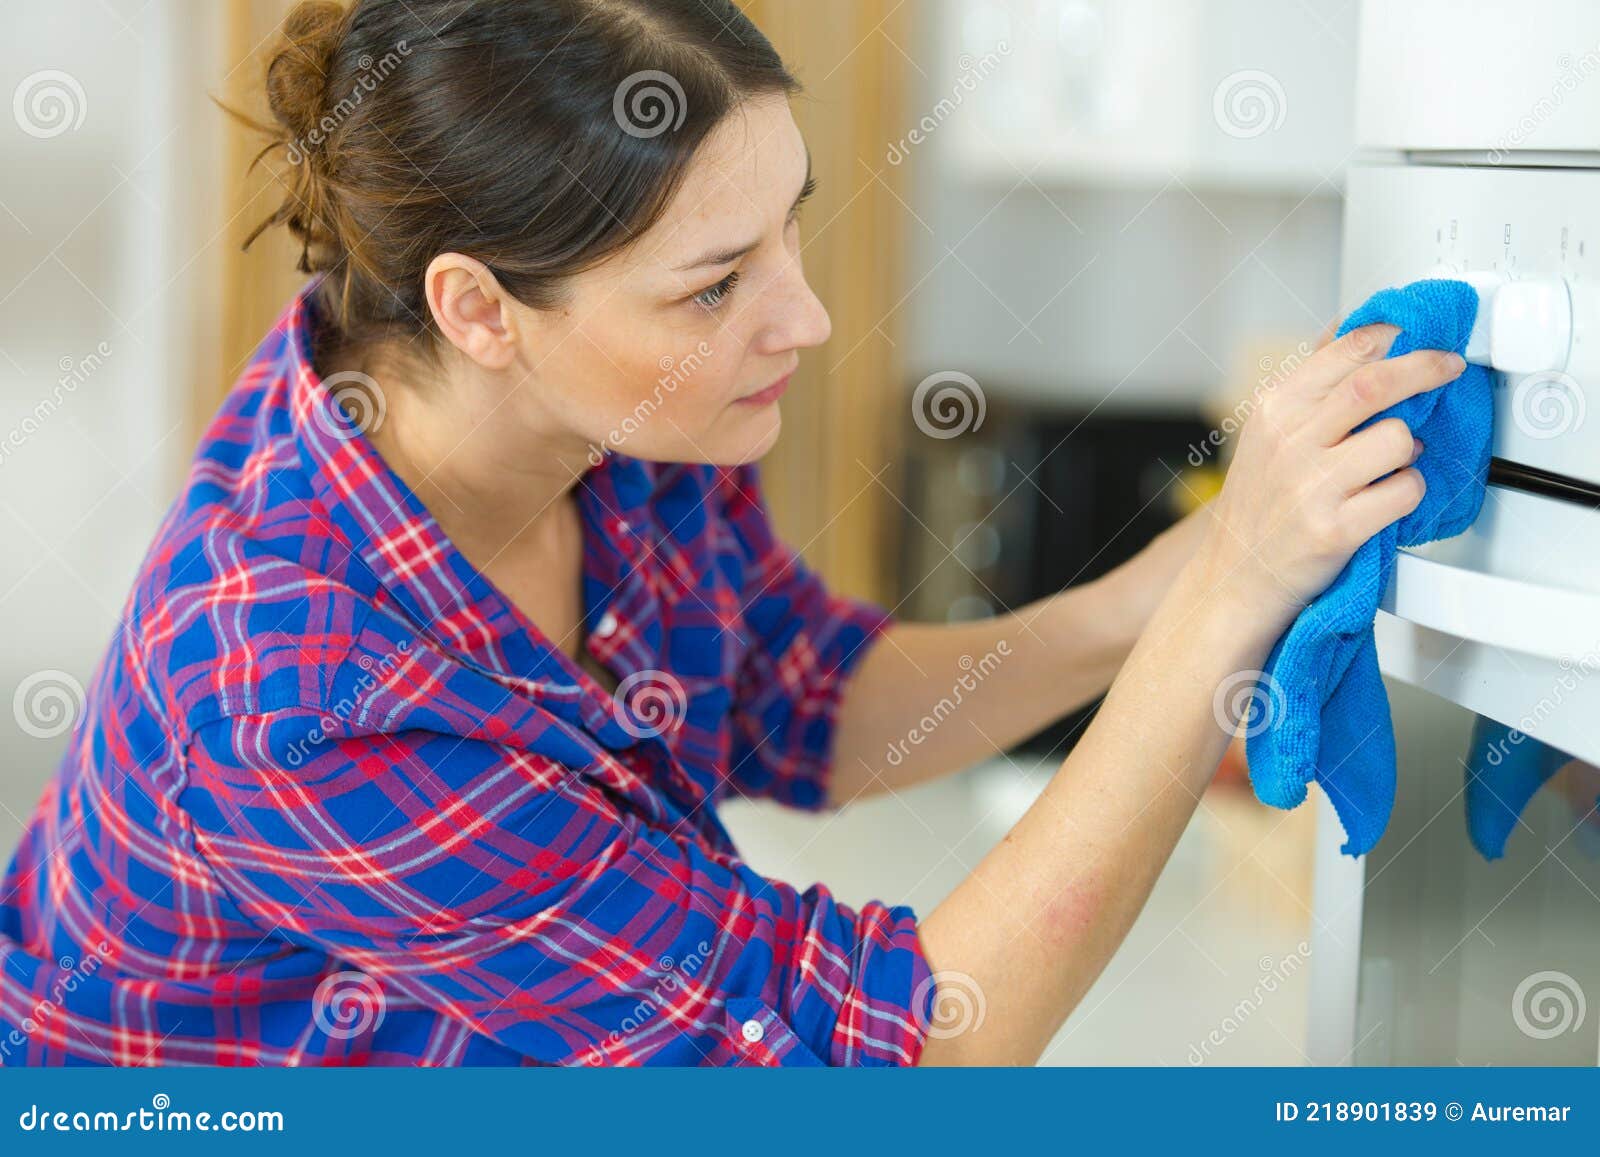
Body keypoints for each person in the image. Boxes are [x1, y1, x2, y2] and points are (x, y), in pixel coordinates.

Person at [0, 0, 1457, 1066]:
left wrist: (1156, 591)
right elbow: (891, 1062)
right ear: (477, 309)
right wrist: (1225, 610)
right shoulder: (297, 686)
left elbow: (800, 702)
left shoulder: (584, 410)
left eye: (789, 232)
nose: (805, 320)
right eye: (714, 286)